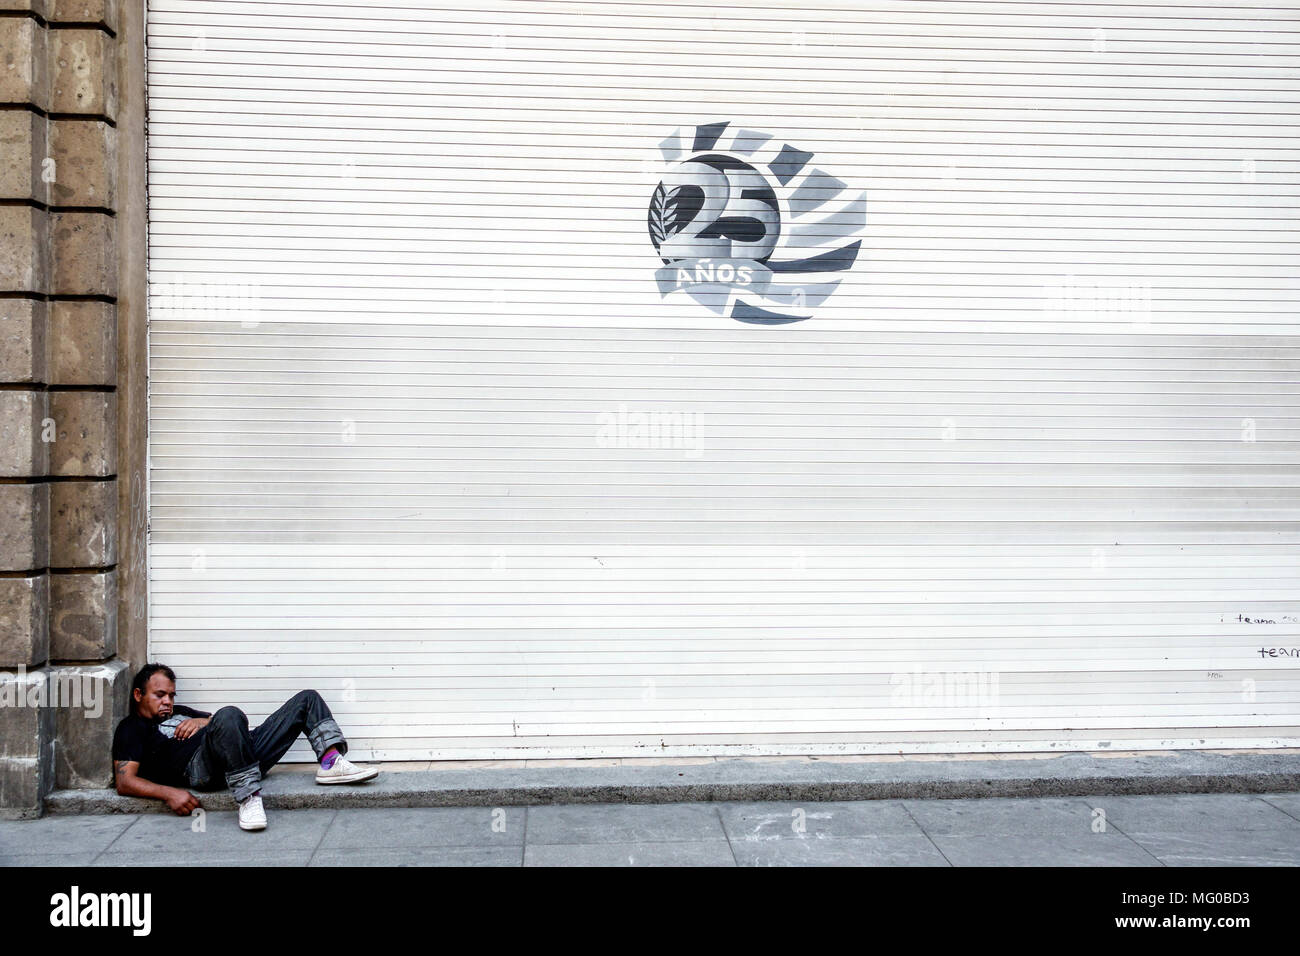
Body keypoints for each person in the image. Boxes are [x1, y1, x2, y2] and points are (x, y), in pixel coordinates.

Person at [112, 662, 379, 831]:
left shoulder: (179, 711)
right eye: (160, 695)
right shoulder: (131, 728)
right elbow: (125, 781)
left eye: (171, 695)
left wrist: (201, 721)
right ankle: (249, 798)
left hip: (242, 756)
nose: (167, 701)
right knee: (230, 714)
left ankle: (331, 761)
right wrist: (170, 794)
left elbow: (216, 722)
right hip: (200, 768)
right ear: (139, 695)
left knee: (306, 699)